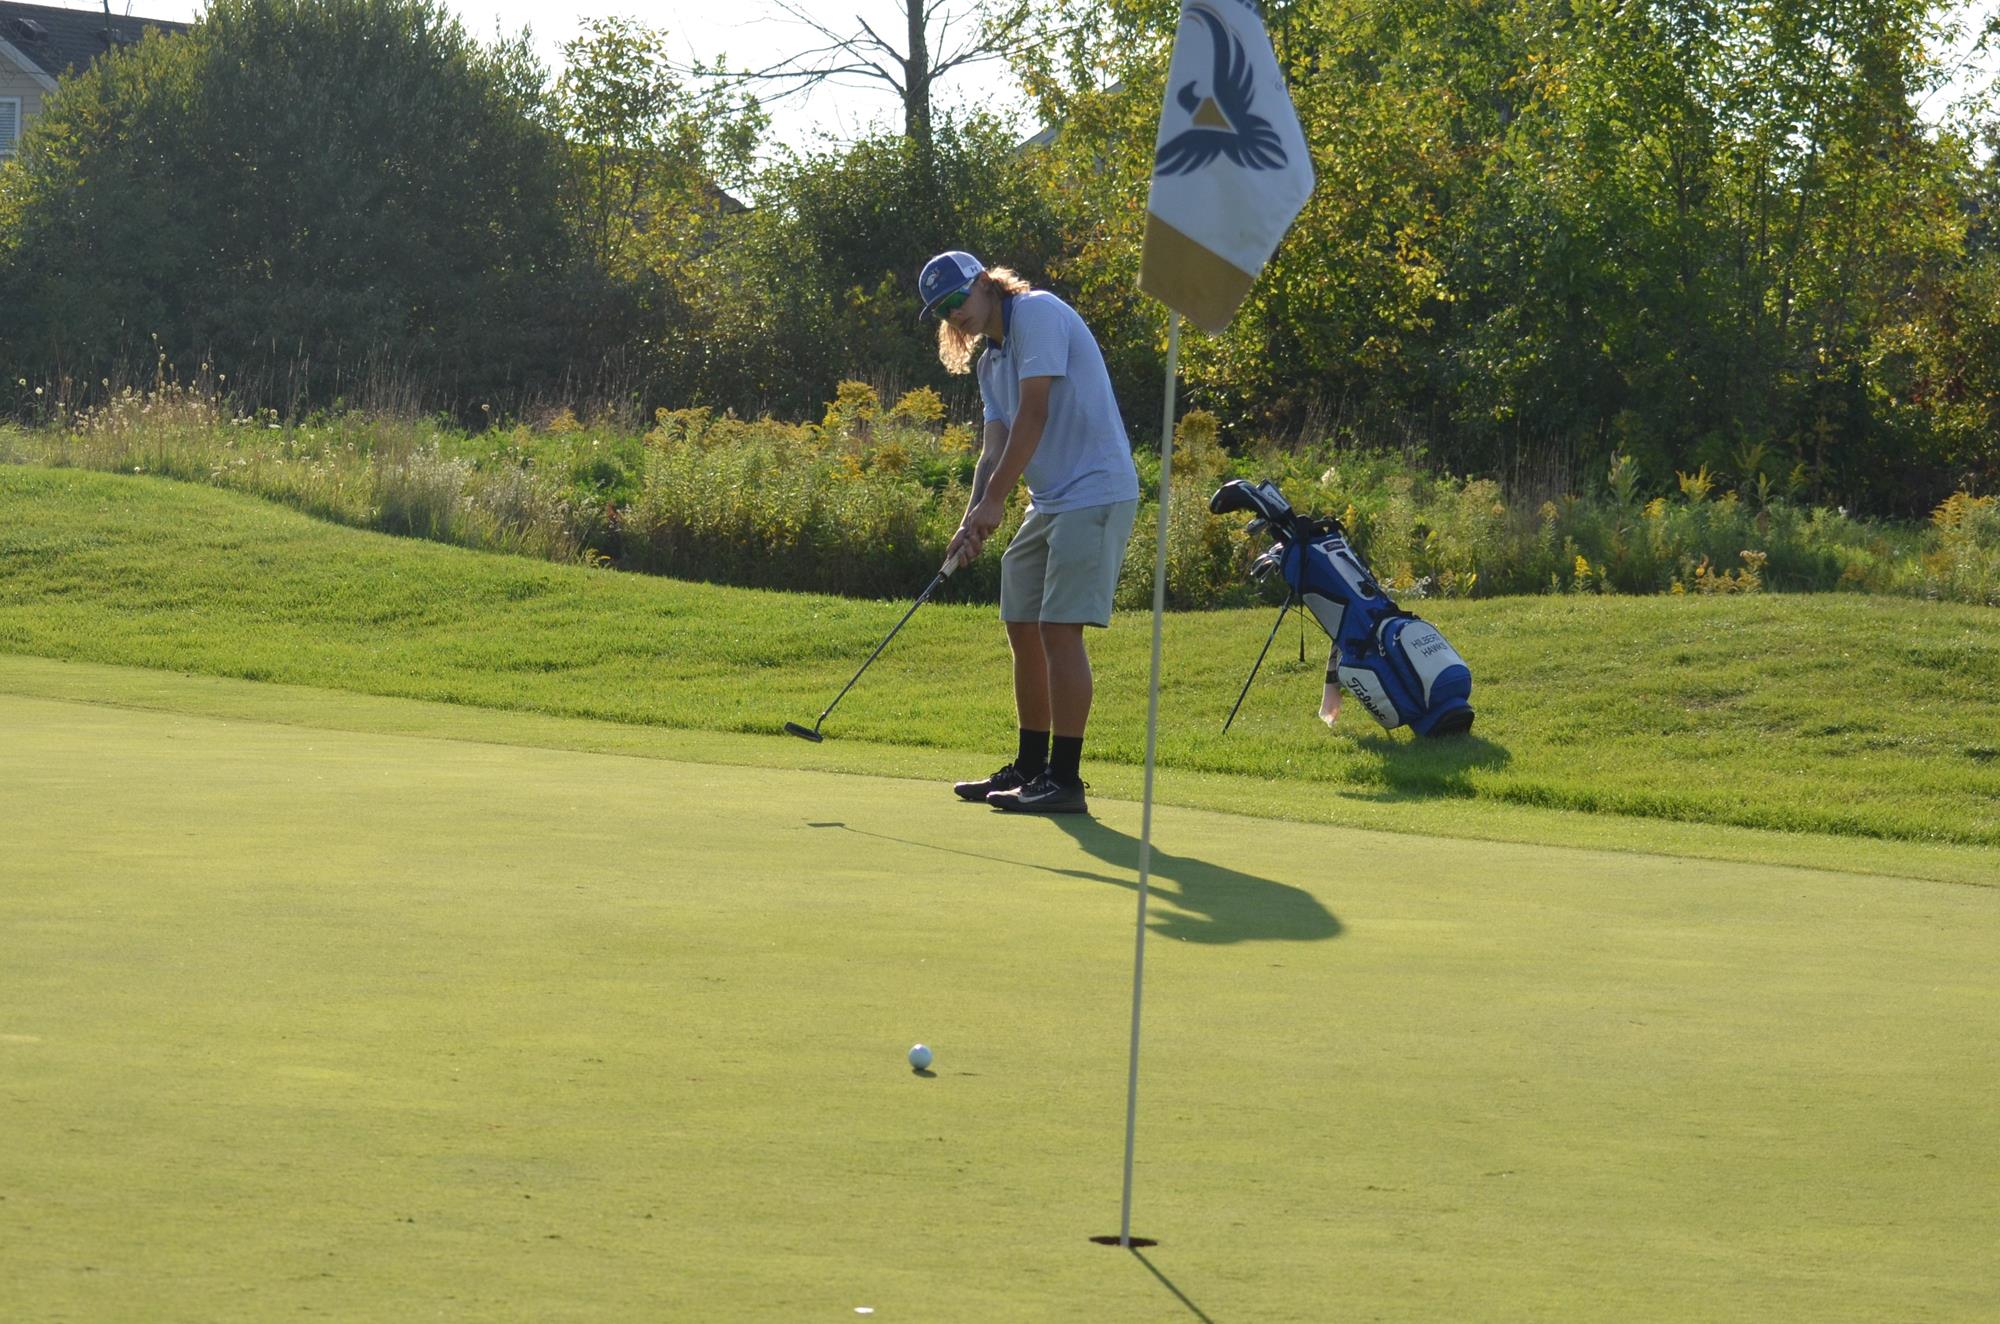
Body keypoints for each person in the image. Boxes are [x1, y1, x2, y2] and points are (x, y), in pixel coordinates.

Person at [920, 250, 1141, 816]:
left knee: (1058, 629)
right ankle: (1030, 766)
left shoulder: (1037, 313)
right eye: (942, 310)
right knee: (1021, 622)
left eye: (958, 299)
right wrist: (972, 516)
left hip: (1094, 490)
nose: (954, 314)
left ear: (987, 285)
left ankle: (1064, 781)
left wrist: (997, 501)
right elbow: (994, 445)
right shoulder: (990, 361)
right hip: (1049, 502)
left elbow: (1034, 415)